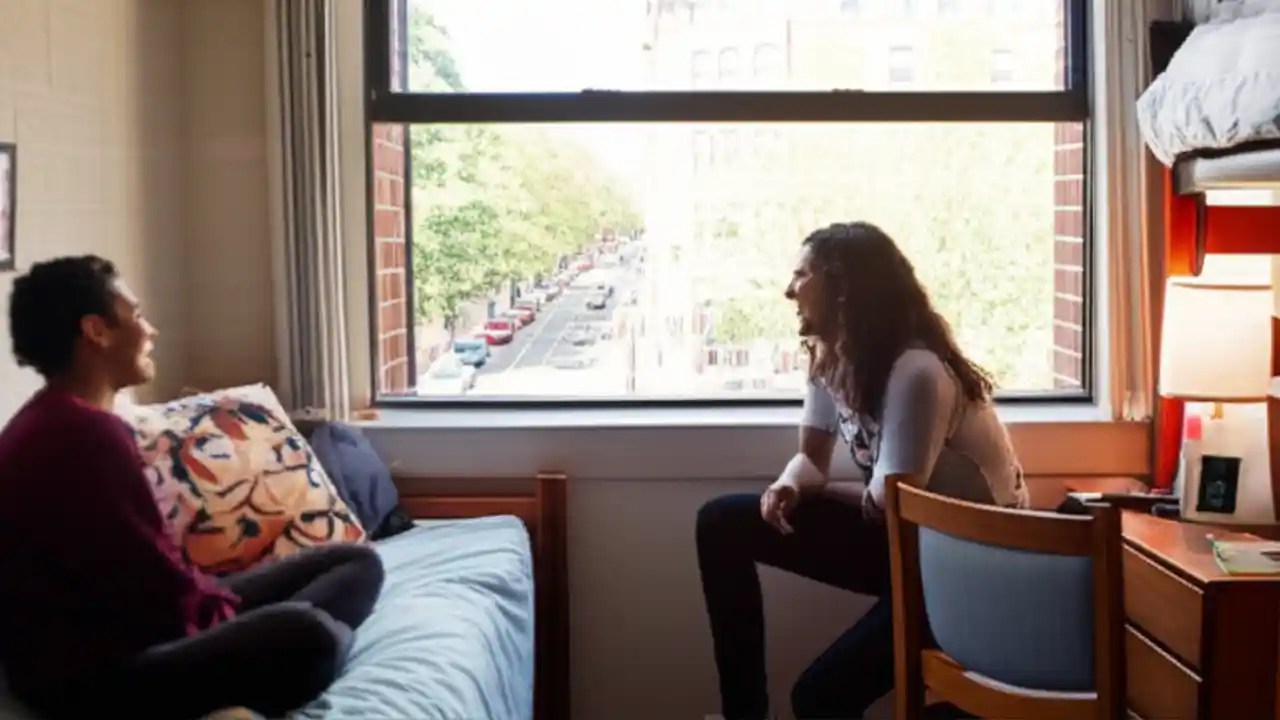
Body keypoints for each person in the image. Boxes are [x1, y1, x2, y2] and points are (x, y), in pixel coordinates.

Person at [0, 256, 385, 720]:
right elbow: (150, 595)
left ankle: (267, 658)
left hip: (136, 624)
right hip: (92, 673)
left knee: (356, 561)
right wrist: (232, 626)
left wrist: (223, 615)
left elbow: (152, 578)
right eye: (137, 315)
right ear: (96, 331)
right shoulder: (77, 434)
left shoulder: (64, 419)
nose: (150, 330)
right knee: (311, 635)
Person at [696, 222, 1028, 720]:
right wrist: (790, 483)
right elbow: (812, 460)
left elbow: (886, 503)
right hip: (909, 541)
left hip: (969, 570)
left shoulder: (916, 371)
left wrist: (819, 493)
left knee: (818, 697)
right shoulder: (833, 359)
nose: (789, 290)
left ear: (842, 286)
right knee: (721, 522)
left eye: (800, 275)